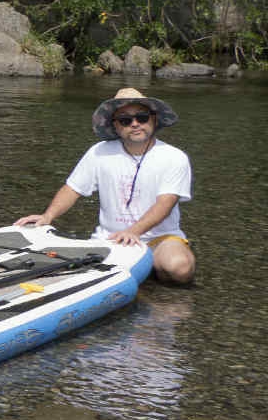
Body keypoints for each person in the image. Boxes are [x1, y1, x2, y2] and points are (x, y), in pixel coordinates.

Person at [16, 88, 195, 286]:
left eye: (142, 117)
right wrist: (47, 216)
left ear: (153, 119)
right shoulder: (99, 153)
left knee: (179, 268)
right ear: (116, 126)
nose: (135, 124)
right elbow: (72, 189)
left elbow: (166, 203)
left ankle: (155, 279)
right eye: (125, 120)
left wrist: (134, 231)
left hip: (158, 238)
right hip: (110, 239)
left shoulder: (174, 157)